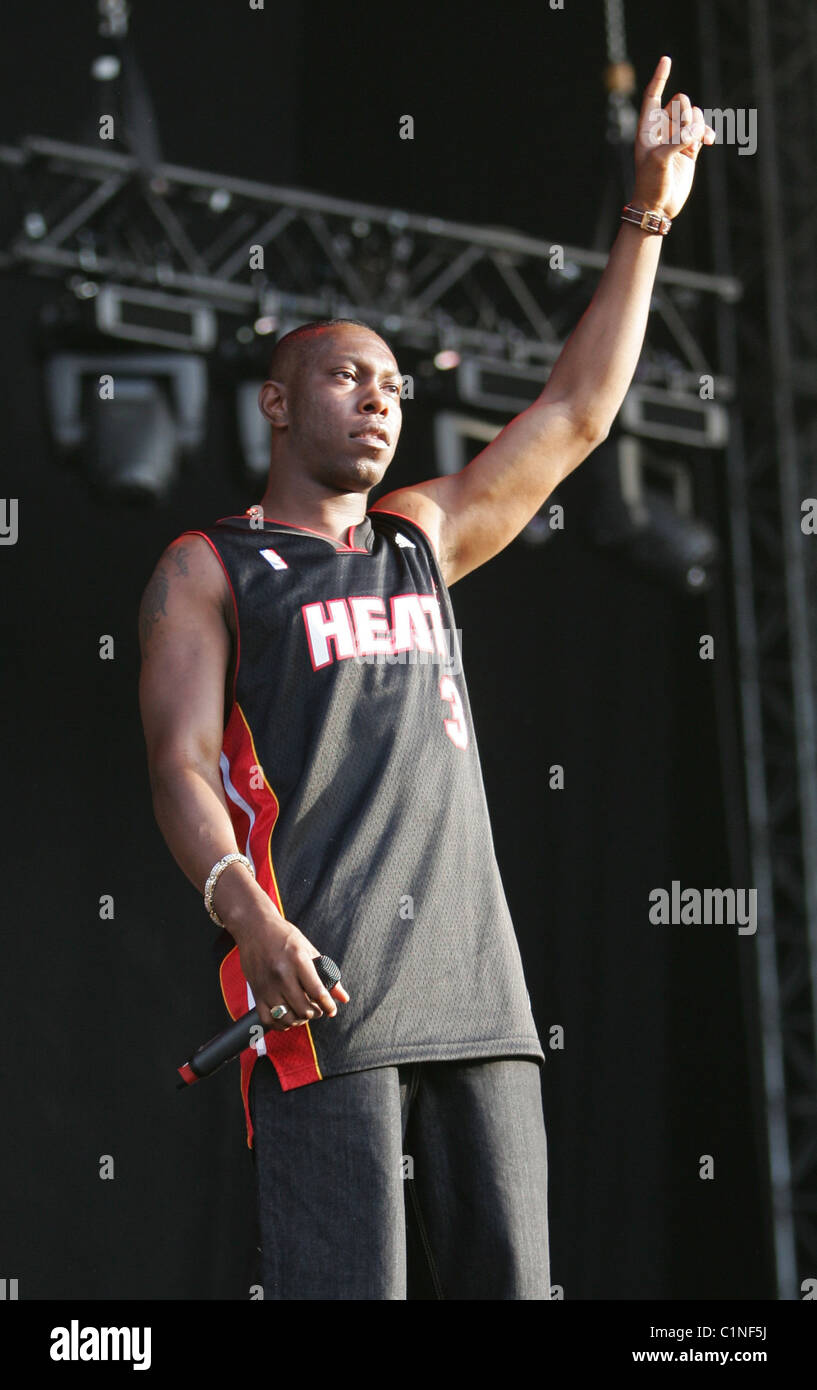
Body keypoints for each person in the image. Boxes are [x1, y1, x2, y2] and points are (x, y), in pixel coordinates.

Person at [138, 57, 714, 1300]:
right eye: (352, 376)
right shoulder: (212, 566)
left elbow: (572, 415)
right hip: (321, 993)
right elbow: (180, 765)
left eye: (397, 385)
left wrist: (650, 213)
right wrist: (252, 920)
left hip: (480, 995)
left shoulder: (417, 539)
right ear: (278, 403)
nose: (382, 399)